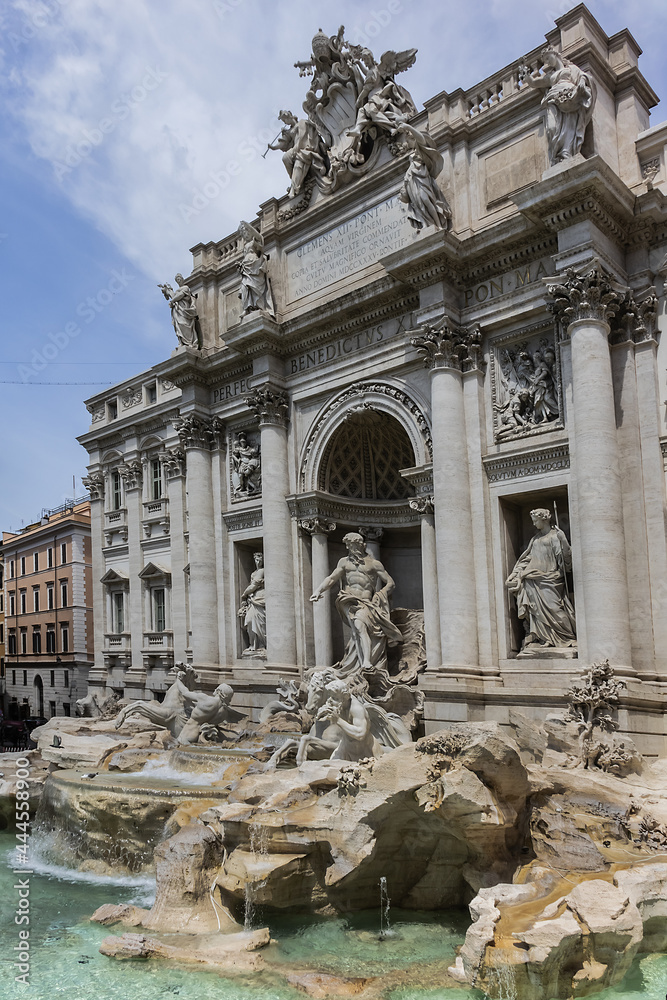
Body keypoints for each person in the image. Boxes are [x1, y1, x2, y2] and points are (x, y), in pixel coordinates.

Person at [310, 532, 402, 675]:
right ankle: (365, 661)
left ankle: (358, 663)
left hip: (366, 601)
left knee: (359, 629)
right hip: (348, 599)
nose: (351, 548)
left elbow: (390, 583)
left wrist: (380, 594)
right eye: (349, 546)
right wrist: (318, 590)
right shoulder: (344, 562)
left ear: (361, 545)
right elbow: (331, 578)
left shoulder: (374, 564)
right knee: (358, 626)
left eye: (354, 545)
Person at [505, 508, 576, 652]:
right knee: (536, 611)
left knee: (555, 608)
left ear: (544, 519)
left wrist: (563, 541)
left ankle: (567, 637)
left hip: (550, 579)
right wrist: (516, 574)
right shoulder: (535, 539)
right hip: (532, 579)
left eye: (535, 521)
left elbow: (565, 561)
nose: (534, 524)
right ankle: (544, 638)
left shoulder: (555, 536)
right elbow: (526, 559)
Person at [519, 46, 595, 164]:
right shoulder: (550, 76)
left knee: (569, 127)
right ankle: (556, 156)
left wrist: (581, 82)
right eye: (546, 61)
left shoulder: (571, 68)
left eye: (548, 58)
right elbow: (534, 83)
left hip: (570, 99)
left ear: (555, 55)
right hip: (553, 100)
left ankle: (566, 152)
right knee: (551, 128)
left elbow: (583, 76)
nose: (548, 63)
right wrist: (526, 76)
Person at [237, 221, 275, 316]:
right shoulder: (245, 245)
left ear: (249, 231)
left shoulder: (256, 239)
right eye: (242, 234)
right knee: (245, 287)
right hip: (246, 267)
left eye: (245, 232)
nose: (244, 235)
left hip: (255, 265)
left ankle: (257, 305)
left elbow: (261, 244)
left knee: (254, 286)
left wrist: (246, 226)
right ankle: (246, 308)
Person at [159, 274, 199, 347]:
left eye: (179, 278)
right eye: (177, 279)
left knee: (184, 323)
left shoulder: (185, 288)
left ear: (182, 279)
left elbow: (180, 295)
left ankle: (189, 342)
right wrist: (168, 290)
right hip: (177, 309)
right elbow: (174, 296)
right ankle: (182, 342)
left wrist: (172, 301)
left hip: (184, 308)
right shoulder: (178, 290)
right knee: (178, 325)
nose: (178, 280)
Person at [239, 552, 266, 652]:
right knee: (250, 620)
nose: (257, 560)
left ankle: (261, 644)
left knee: (261, 622)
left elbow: (254, 585)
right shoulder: (253, 573)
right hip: (253, 600)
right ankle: (253, 644)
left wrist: (244, 594)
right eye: (255, 558)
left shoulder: (262, 571)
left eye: (260, 557)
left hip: (261, 597)